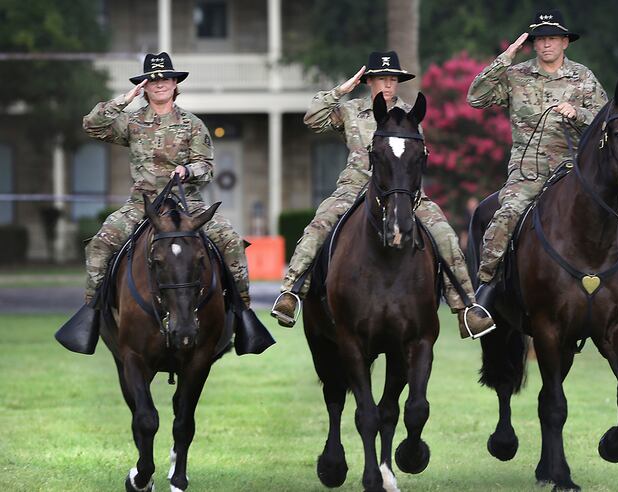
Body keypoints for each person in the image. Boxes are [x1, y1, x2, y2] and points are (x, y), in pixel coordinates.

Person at [270, 51, 495, 339]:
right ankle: (290, 293)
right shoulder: (351, 110)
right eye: (381, 79)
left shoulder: (412, 116)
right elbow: (313, 119)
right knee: (319, 225)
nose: (388, 85)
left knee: (444, 234)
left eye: (392, 79)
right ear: (369, 81)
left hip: (404, 193)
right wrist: (340, 91)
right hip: (354, 187)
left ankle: (466, 306)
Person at [58, 53, 268, 354]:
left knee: (232, 242)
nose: (159, 84)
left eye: (165, 79)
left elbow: (206, 168)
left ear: (175, 83)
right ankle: (92, 314)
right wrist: (125, 98)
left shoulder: (192, 124)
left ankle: (244, 315)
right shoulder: (131, 122)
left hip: (187, 203)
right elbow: (92, 125)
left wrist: (187, 171)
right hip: (142, 204)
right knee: (100, 244)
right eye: (152, 80)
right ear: (144, 86)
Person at [466, 9, 618, 296]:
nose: (546, 44)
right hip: (527, 171)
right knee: (506, 215)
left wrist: (578, 113)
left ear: (565, 42)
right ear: (534, 44)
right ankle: (485, 291)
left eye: (552, 38)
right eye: (540, 39)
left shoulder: (583, 77)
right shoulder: (515, 75)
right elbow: (476, 98)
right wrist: (504, 59)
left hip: (574, 170)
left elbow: (606, 122)